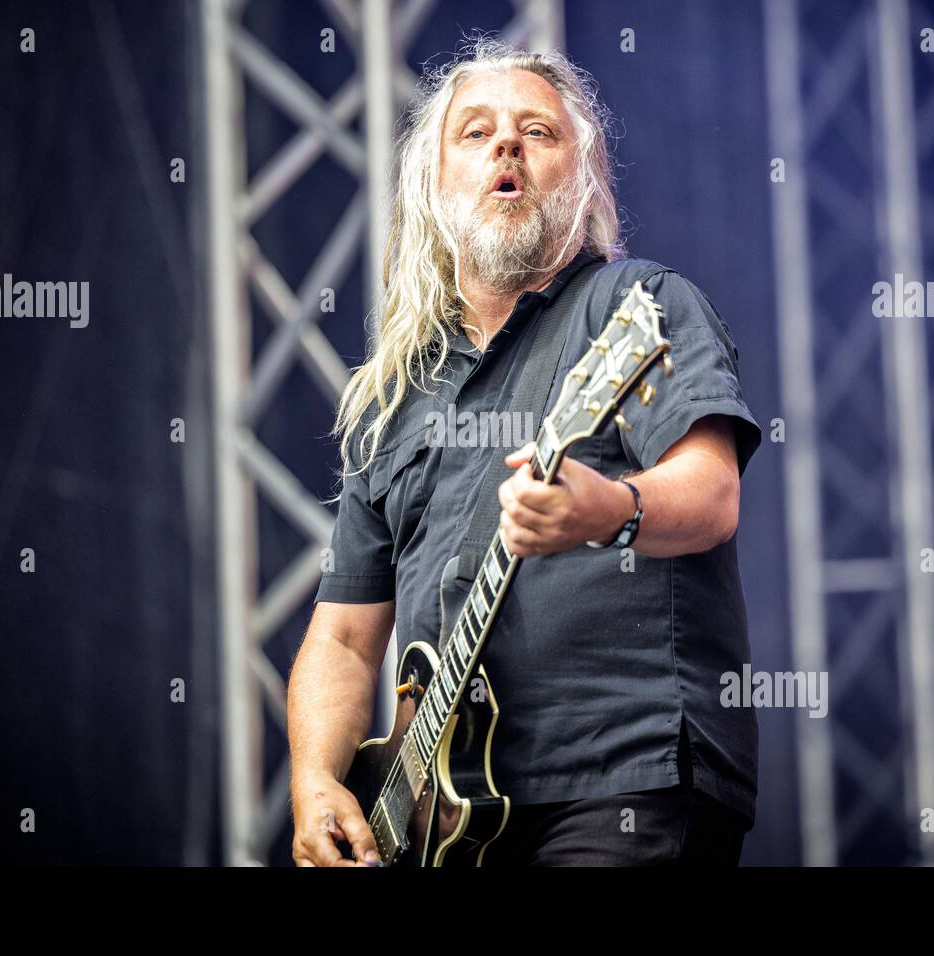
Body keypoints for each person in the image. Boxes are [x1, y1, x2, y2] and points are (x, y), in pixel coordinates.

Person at [287, 37, 761, 867]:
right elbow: (345, 639)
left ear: (582, 179)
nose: (506, 145)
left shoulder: (638, 307)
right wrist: (317, 781)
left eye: (537, 133)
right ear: (433, 185)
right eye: (475, 133)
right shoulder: (393, 395)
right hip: (440, 827)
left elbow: (713, 493)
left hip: (621, 783)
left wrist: (609, 511)